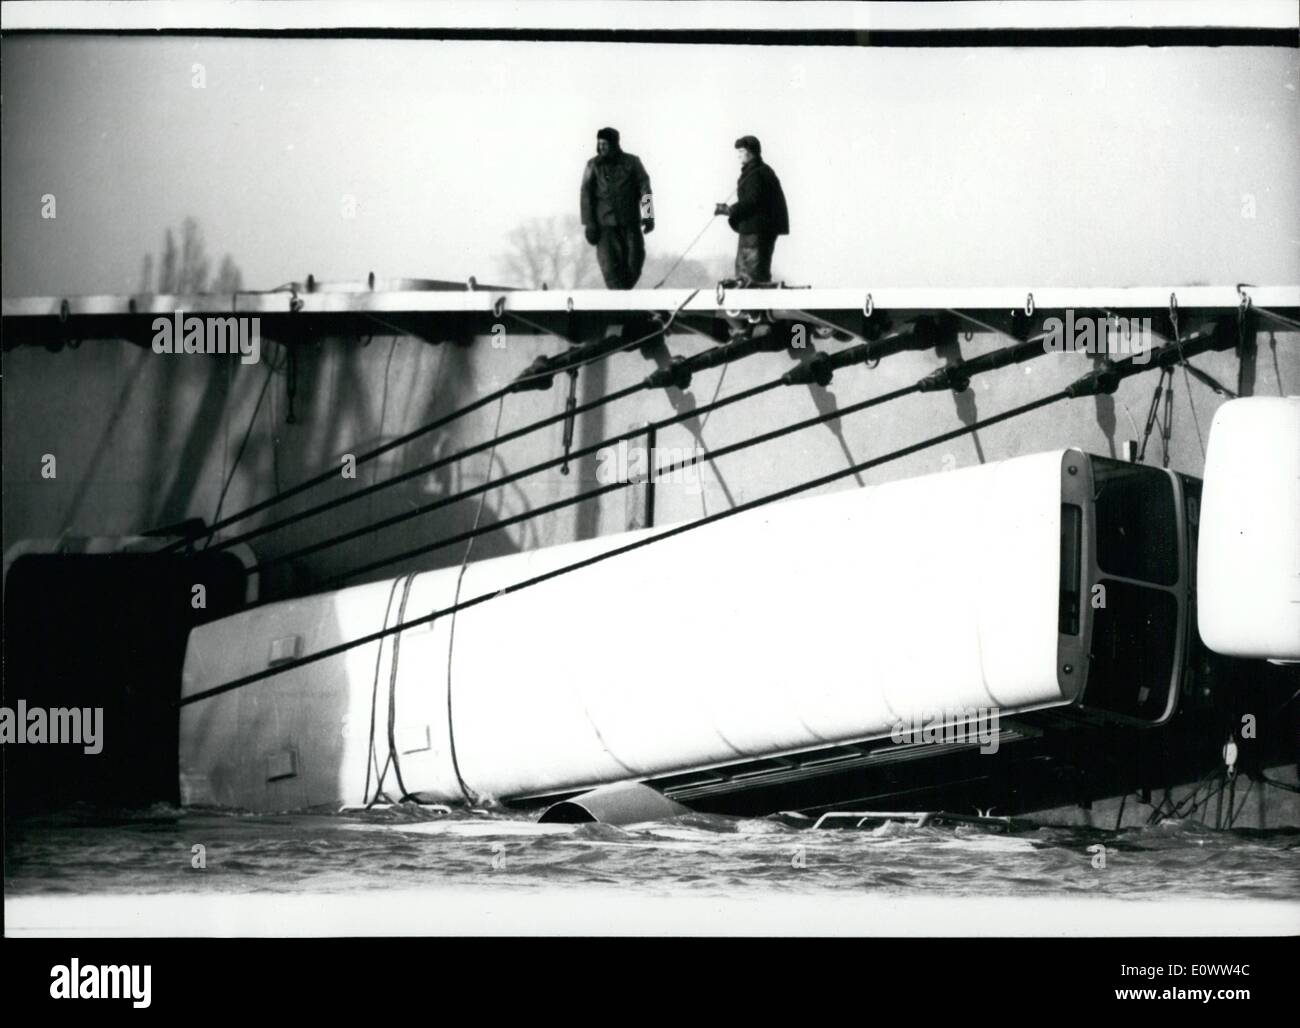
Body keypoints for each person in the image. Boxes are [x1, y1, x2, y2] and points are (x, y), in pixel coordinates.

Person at [580, 127, 655, 289]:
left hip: (630, 225)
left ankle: (624, 298)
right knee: (610, 269)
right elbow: (586, 194)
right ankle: (618, 302)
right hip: (605, 229)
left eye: (605, 144)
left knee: (634, 263)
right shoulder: (593, 166)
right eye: (599, 144)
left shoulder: (632, 163)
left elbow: (645, 189)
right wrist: (589, 224)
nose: (601, 148)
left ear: (614, 144)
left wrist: (648, 216)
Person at [715, 135, 789, 285]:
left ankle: (753, 306)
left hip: (755, 231)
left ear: (750, 152)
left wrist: (730, 210)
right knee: (751, 276)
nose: (738, 155)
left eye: (741, 151)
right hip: (756, 229)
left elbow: (752, 200)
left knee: (749, 278)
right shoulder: (758, 171)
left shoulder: (756, 173)